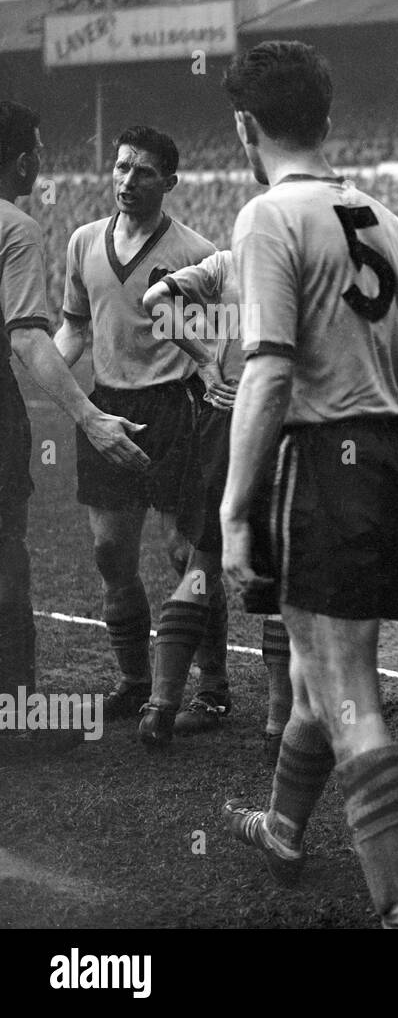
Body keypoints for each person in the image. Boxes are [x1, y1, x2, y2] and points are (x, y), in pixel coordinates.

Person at [216, 40, 398, 930]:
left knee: (348, 690)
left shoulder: (267, 218)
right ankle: (283, 826)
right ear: (327, 119)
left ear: (246, 126)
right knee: (323, 680)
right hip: (389, 455)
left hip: (322, 466)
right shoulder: (386, 218)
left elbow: (270, 376)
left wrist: (236, 511)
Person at [54, 125, 219, 721]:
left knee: (185, 554)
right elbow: (75, 325)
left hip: (174, 410)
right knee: (108, 552)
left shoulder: (196, 254)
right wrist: (45, 365)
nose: (128, 180)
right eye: (122, 167)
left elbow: (212, 343)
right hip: (105, 410)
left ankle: (212, 688)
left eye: (144, 171)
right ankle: (133, 681)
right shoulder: (81, 242)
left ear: (169, 183)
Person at [0, 100, 144, 755]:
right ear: (24, 158)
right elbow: (30, 340)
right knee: (6, 558)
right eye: (34, 147)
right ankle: (18, 717)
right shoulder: (17, 227)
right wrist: (87, 415)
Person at [137, 253, 292, 758]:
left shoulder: (228, 262)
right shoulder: (314, 263)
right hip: (286, 423)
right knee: (282, 574)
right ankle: (277, 728)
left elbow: (155, 300)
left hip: (222, 421)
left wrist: (206, 360)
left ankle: (160, 706)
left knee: (201, 563)